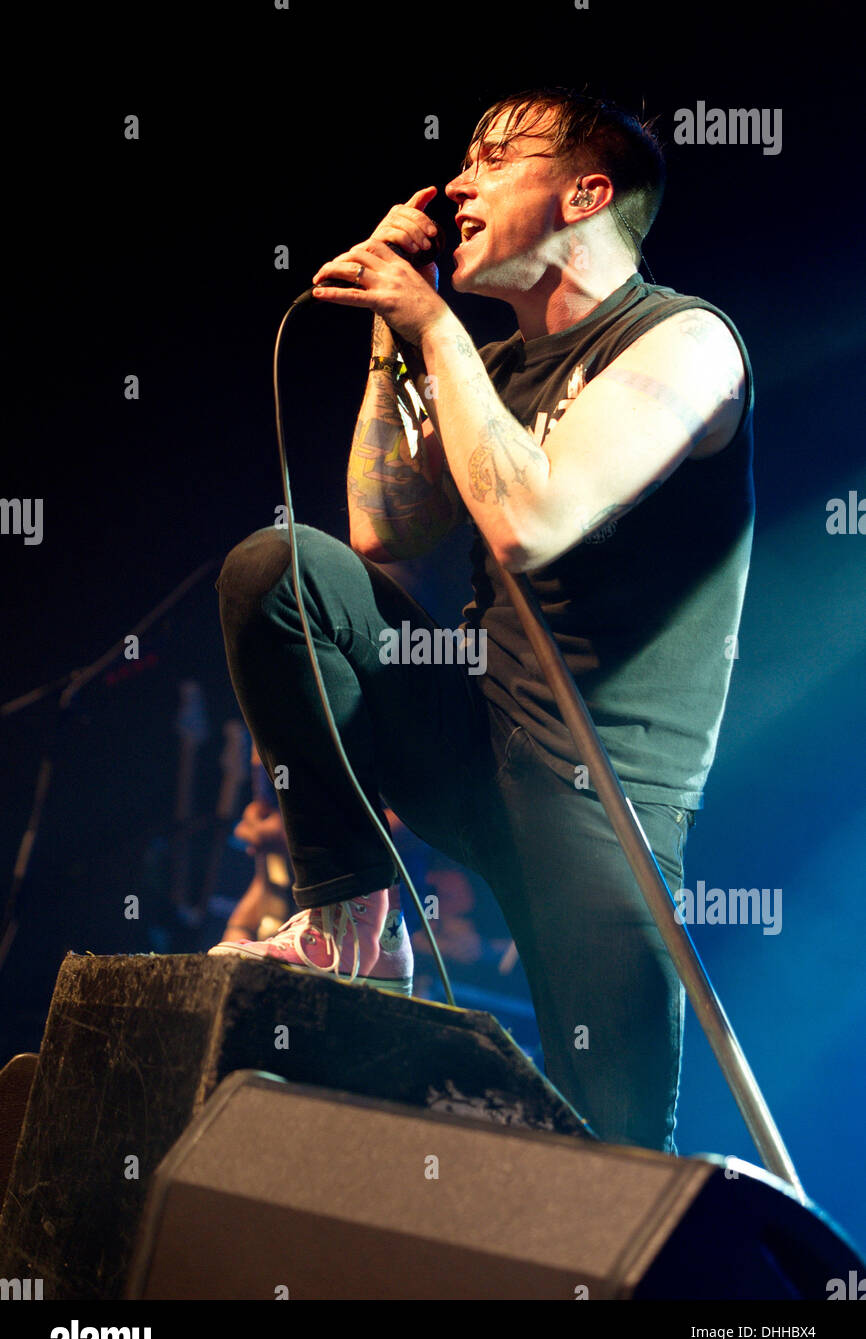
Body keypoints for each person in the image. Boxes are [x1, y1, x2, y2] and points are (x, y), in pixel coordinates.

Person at [209, 87, 754, 1153]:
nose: (457, 181)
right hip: (478, 743)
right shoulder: (489, 367)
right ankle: (350, 922)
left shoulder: (683, 344)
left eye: (495, 158)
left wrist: (435, 325)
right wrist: (393, 334)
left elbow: (533, 520)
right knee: (283, 568)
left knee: (614, 1150)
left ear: (584, 194)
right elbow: (378, 529)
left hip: (604, 802)